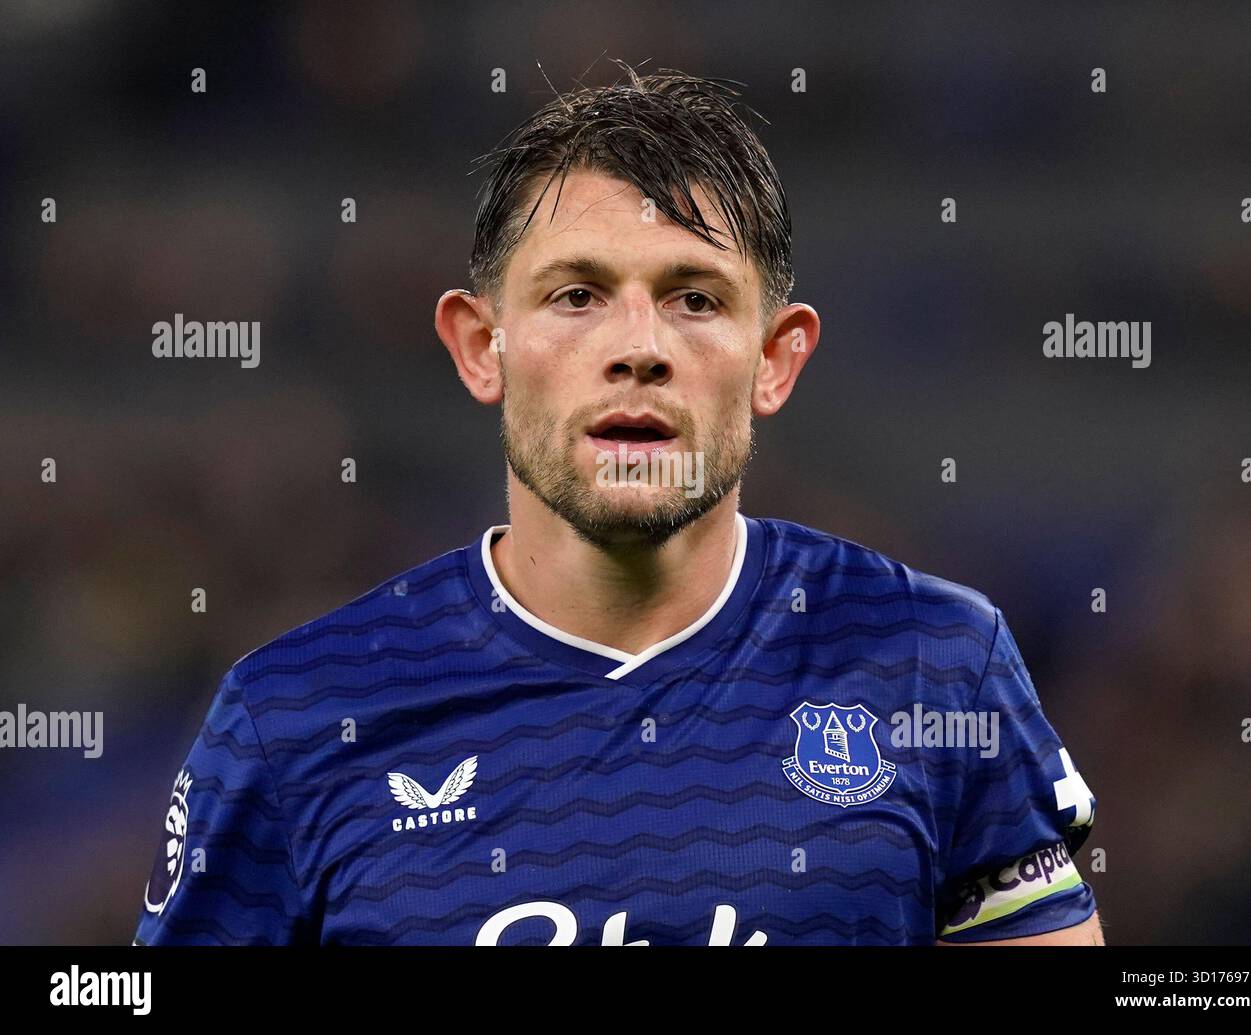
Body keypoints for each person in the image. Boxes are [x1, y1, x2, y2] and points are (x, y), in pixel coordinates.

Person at [133, 66, 1101, 946]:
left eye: (695, 299)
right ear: (481, 347)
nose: (638, 345)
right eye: (576, 295)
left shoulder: (930, 663)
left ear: (775, 358)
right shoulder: (298, 713)